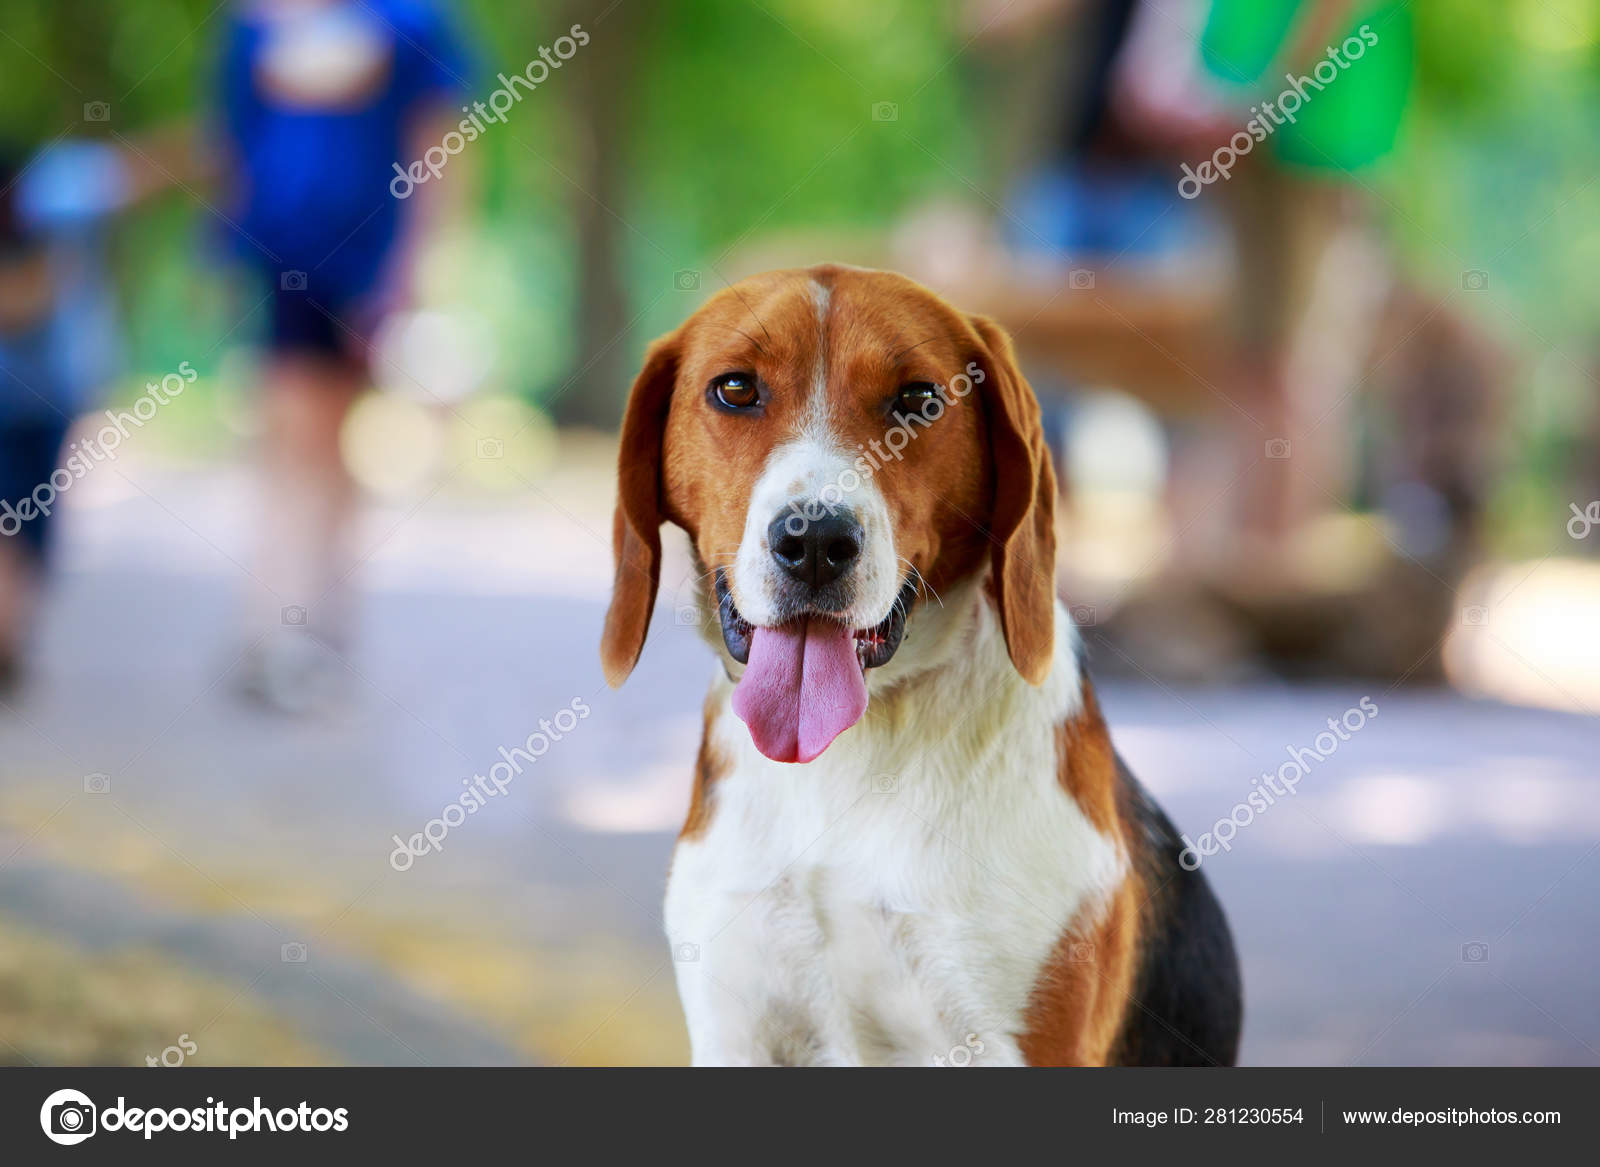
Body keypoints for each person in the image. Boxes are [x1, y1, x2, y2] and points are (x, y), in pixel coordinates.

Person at [216, 0, 473, 710]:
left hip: (364, 262)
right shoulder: (252, 23)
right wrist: (223, 256)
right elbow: (234, 142)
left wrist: (411, 270)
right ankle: (285, 626)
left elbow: (438, 143)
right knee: (294, 438)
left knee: (320, 445)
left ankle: (300, 626)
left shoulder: (412, 21)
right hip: (278, 255)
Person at [0, 142, 133, 694]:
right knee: (19, 521)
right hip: (37, 402)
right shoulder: (60, 225)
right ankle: (10, 635)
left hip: (46, 401)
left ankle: (13, 635)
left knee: (28, 522)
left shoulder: (55, 223)